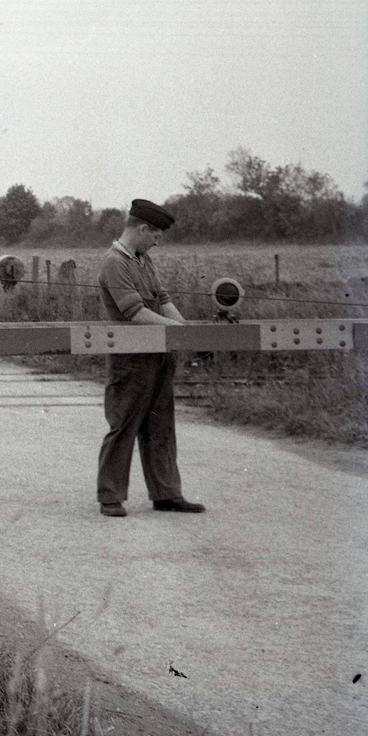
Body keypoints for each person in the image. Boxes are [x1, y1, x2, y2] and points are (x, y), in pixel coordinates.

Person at [96, 198, 205, 518]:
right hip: (130, 359)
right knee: (124, 425)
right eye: (156, 234)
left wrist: (187, 333)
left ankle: (167, 494)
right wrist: (179, 334)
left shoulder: (144, 260)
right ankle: (110, 496)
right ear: (141, 229)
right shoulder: (114, 263)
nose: (159, 240)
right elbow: (135, 313)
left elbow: (164, 301)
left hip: (159, 355)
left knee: (161, 425)